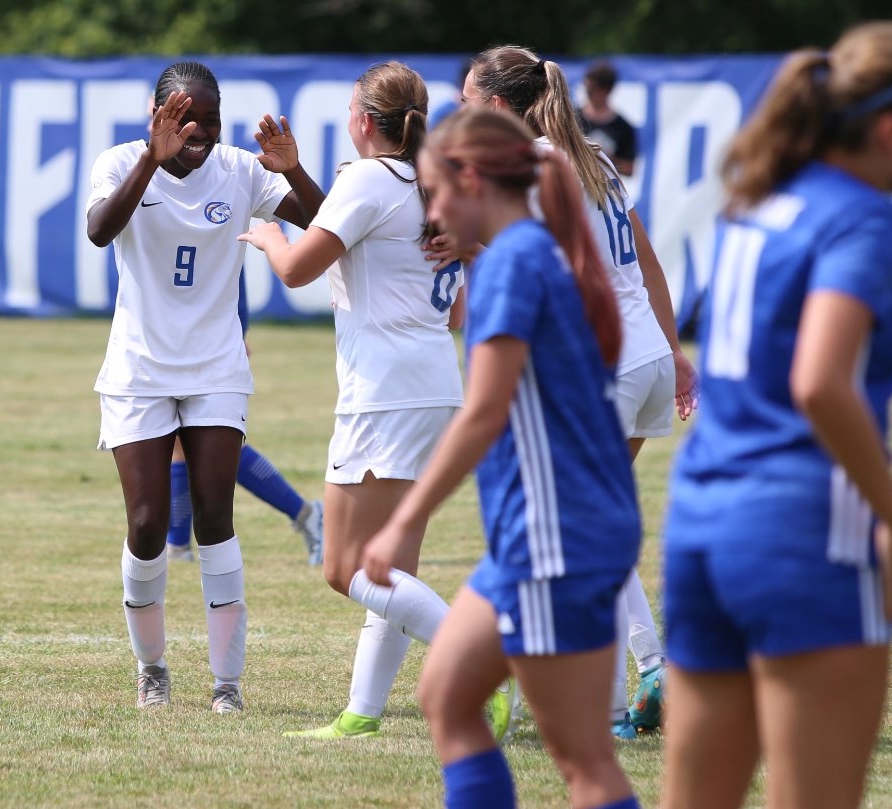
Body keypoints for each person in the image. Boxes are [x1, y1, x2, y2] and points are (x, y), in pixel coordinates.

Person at [662, 22, 892, 809]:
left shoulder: (758, 201)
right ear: (890, 129)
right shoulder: (859, 216)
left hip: (699, 522)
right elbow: (819, 382)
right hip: (804, 531)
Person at [363, 105, 642, 809]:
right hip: (546, 535)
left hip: (557, 539)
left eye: (433, 191)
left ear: (468, 178)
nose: (428, 213)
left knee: (583, 761)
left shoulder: (515, 263)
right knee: (448, 695)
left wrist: (401, 524)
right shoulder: (531, 252)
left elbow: (484, 411)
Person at [465, 44, 698, 738]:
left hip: (605, 367)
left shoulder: (532, 164)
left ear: (500, 108)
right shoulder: (590, 157)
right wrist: (676, 354)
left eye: (470, 102)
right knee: (584, 525)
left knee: (571, 531)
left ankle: (644, 674)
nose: (461, 114)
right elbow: (645, 262)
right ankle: (633, 686)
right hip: (646, 357)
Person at [85, 61, 324, 713]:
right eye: (186, 119)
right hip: (139, 367)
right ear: (156, 115)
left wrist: (291, 167)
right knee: (146, 523)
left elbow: (325, 222)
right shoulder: (119, 163)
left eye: (211, 121)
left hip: (215, 365)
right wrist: (149, 163)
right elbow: (100, 230)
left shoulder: (242, 171)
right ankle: (152, 667)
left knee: (216, 517)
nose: (200, 132)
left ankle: (226, 684)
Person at [239, 60, 466, 739]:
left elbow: (300, 267)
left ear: (364, 121)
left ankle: (479, 658)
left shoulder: (370, 176)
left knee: (345, 566)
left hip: (382, 395)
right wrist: (292, 171)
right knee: (395, 570)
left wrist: (271, 237)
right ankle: (362, 711)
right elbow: (454, 312)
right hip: (433, 386)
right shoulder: (434, 181)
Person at [167, 270, 325, 567]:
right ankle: (176, 546)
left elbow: (227, 261)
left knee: (209, 438)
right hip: (171, 333)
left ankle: (306, 513)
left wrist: (235, 330)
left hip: (206, 334)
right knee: (181, 438)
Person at [577, 61, 638, 177]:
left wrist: (603, 157)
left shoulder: (623, 127)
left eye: (590, 91)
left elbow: (629, 169)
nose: (587, 94)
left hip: (606, 191)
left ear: (606, 91)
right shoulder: (572, 118)